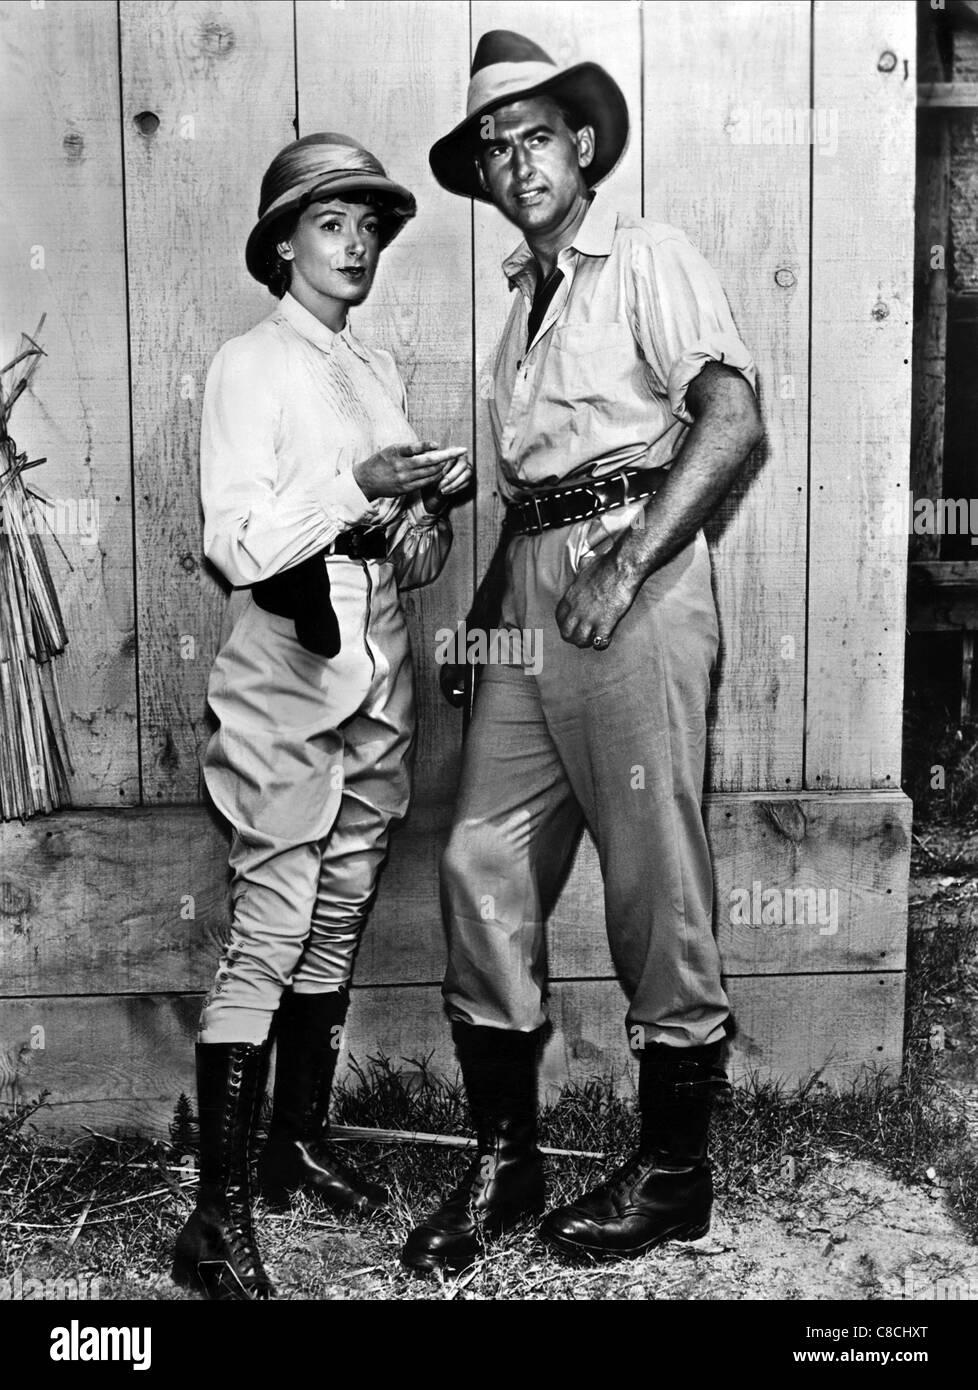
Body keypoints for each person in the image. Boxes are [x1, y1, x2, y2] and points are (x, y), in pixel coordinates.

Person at [401, 30, 763, 1273]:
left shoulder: (644, 256)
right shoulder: (522, 303)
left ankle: (674, 1173)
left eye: (535, 137)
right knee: (477, 853)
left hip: (638, 573)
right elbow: (525, 496)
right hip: (538, 593)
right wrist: (492, 616)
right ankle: (506, 1163)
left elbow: (729, 422)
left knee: (652, 868)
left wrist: (632, 560)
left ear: (583, 145)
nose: (515, 162)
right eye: (494, 149)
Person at [172, 132, 471, 1301]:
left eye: (370, 226)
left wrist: (420, 525)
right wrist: (362, 490)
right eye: (331, 223)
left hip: (376, 658)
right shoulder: (250, 365)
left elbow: (396, 533)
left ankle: (294, 1144)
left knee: (340, 905)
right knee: (273, 921)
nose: (355, 245)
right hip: (287, 663)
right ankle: (214, 1219)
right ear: (283, 242)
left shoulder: (376, 368)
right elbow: (237, 541)